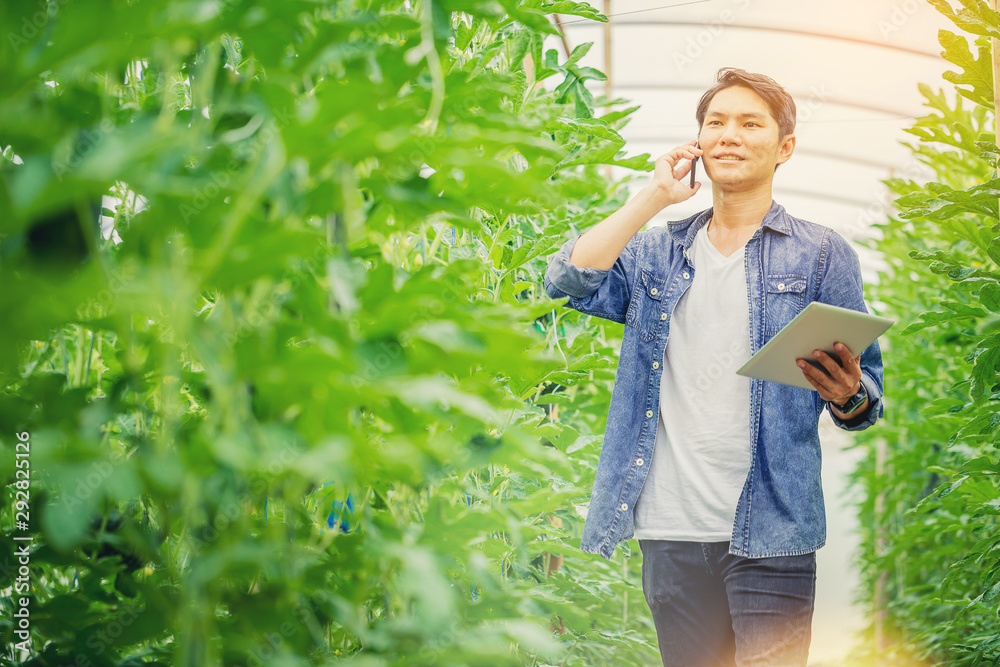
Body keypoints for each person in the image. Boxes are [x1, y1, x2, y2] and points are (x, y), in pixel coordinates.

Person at [542, 67, 885, 666]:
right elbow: (569, 281)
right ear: (698, 141)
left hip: (773, 529)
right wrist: (655, 196)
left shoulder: (822, 253)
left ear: (784, 147)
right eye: (715, 122)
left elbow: (864, 402)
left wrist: (847, 393)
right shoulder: (655, 253)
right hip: (669, 527)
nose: (729, 135)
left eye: (750, 124)